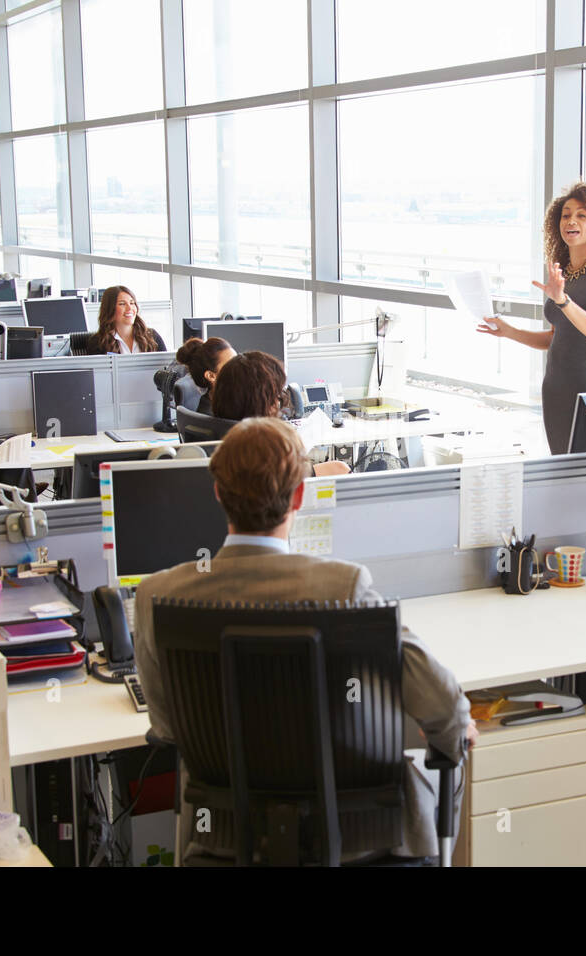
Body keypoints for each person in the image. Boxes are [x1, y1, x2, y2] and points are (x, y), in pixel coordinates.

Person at [132, 416, 475, 861]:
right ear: (299, 495)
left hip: (227, 839)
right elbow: (444, 703)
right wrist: (451, 739)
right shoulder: (344, 587)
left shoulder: (157, 596)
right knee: (451, 747)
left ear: (217, 493)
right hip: (358, 839)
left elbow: (168, 728)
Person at [477, 182, 586, 456]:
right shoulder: (562, 272)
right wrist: (508, 331)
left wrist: (563, 301)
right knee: (563, 473)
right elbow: (555, 337)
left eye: (582, 215)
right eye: (566, 214)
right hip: (557, 389)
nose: (571, 220)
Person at [211, 351, 350, 476]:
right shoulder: (261, 449)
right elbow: (337, 469)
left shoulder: (226, 440)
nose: (278, 403)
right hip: (282, 484)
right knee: (341, 468)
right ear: (262, 401)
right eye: (275, 396)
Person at [85, 286, 166, 355]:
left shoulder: (152, 336)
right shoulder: (98, 342)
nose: (130, 308)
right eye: (122, 304)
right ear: (110, 309)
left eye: (132, 303)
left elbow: (167, 369)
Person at [174, 336, 234, 414]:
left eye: (237, 358)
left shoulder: (230, 403)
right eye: (231, 363)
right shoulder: (219, 417)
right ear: (211, 376)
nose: (239, 365)